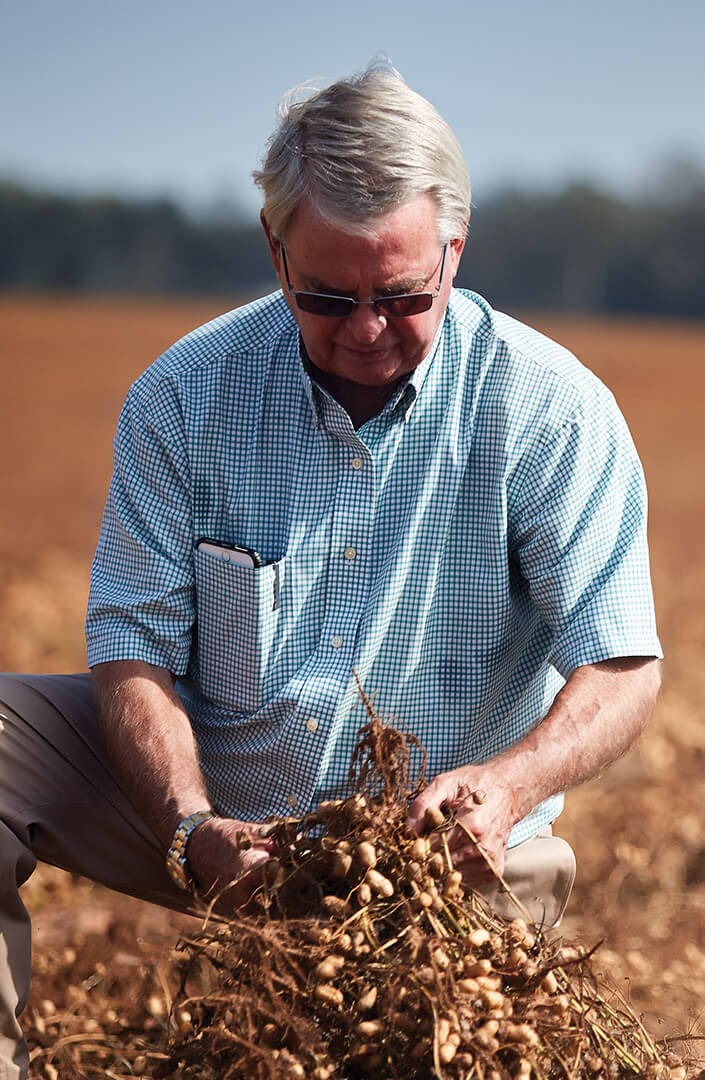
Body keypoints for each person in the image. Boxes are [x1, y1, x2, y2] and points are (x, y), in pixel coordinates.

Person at [0, 61, 662, 1077]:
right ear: (276, 251)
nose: (364, 330)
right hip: (218, 813)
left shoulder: (550, 411)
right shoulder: (185, 397)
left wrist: (507, 783)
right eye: (325, 295)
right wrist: (190, 826)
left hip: (449, 859)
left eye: (401, 295)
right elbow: (132, 649)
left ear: (454, 250)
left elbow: (620, 665)